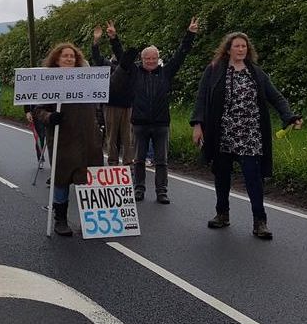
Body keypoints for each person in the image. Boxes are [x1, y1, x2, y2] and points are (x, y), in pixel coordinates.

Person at [190, 32, 302, 240]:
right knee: (222, 175)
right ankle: (222, 213)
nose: (241, 50)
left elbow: (276, 97)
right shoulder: (214, 70)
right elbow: (201, 97)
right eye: (237, 46)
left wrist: (290, 116)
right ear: (228, 49)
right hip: (223, 131)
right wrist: (197, 125)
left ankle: (260, 221)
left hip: (250, 133)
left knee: (253, 177)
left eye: (244, 46)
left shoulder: (256, 73)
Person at [109, 18, 198, 204]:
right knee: (139, 160)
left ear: (158, 59)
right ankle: (139, 189)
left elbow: (181, 55)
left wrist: (190, 34)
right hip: (140, 123)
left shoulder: (166, 72)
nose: (150, 61)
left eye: (153, 58)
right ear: (141, 60)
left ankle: (161, 192)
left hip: (161, 124)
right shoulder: (134, 72)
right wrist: (114, 38)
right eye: (146, 58)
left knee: (161, 161)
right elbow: (122, 57)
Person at [33, 43, 104, 236]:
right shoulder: (48, 81)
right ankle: (61, 219)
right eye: (65, 56)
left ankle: (91, 219)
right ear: (57, 59)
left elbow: (99, 101)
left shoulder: (86, 80)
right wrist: (49, 117)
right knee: (62, 179)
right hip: (63, 138)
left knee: (89, 178)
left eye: (72, 56)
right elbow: (38, 109)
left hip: (88, 137)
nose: (69, 59)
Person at [91, 23, 135, 166]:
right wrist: (96, 42)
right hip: (111, 105)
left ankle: (128, 163)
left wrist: (114, 38)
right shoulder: (108, 66)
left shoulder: (131, 68)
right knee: (111, 136)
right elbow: (97, 58)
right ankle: (112, 162)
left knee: (127, 137)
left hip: (127, 106)